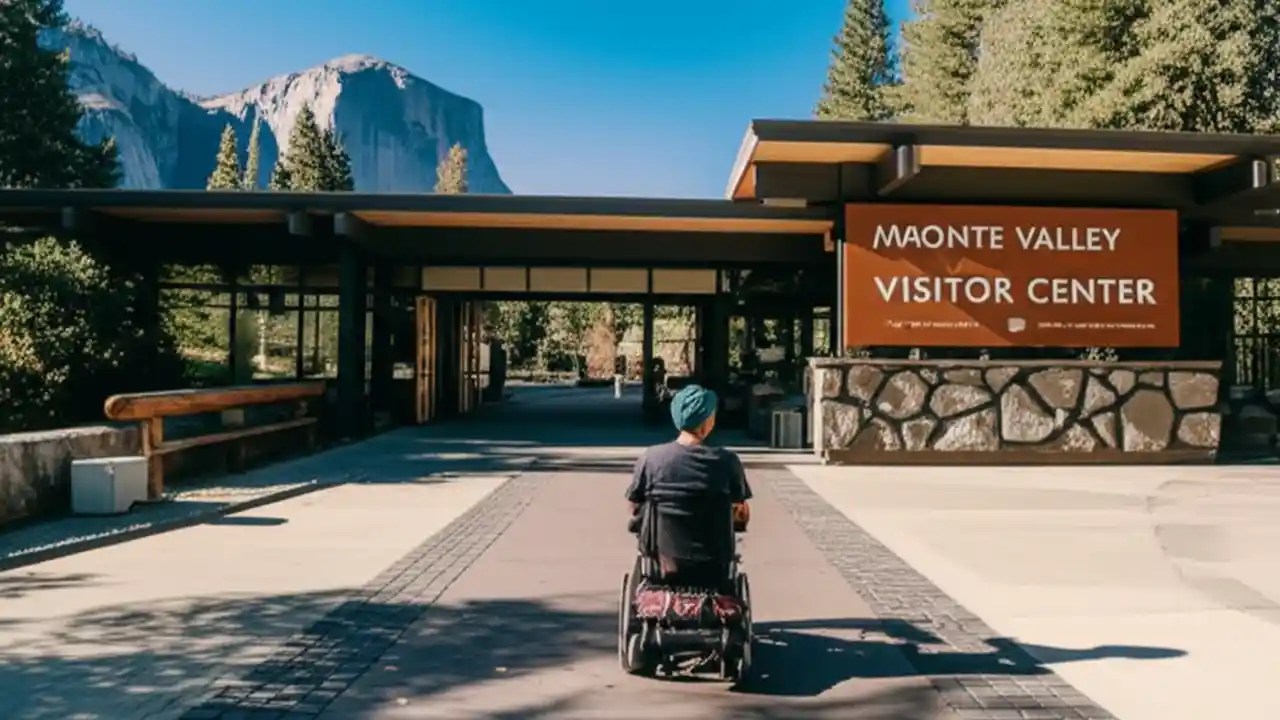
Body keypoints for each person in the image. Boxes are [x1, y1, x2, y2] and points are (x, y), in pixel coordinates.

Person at [625, 384, 752, 590]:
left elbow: (634, 507)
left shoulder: (651, 459)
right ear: (707, 421)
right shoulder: (727, 461)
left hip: (664, 558)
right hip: (715, 560)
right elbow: (739, 511)